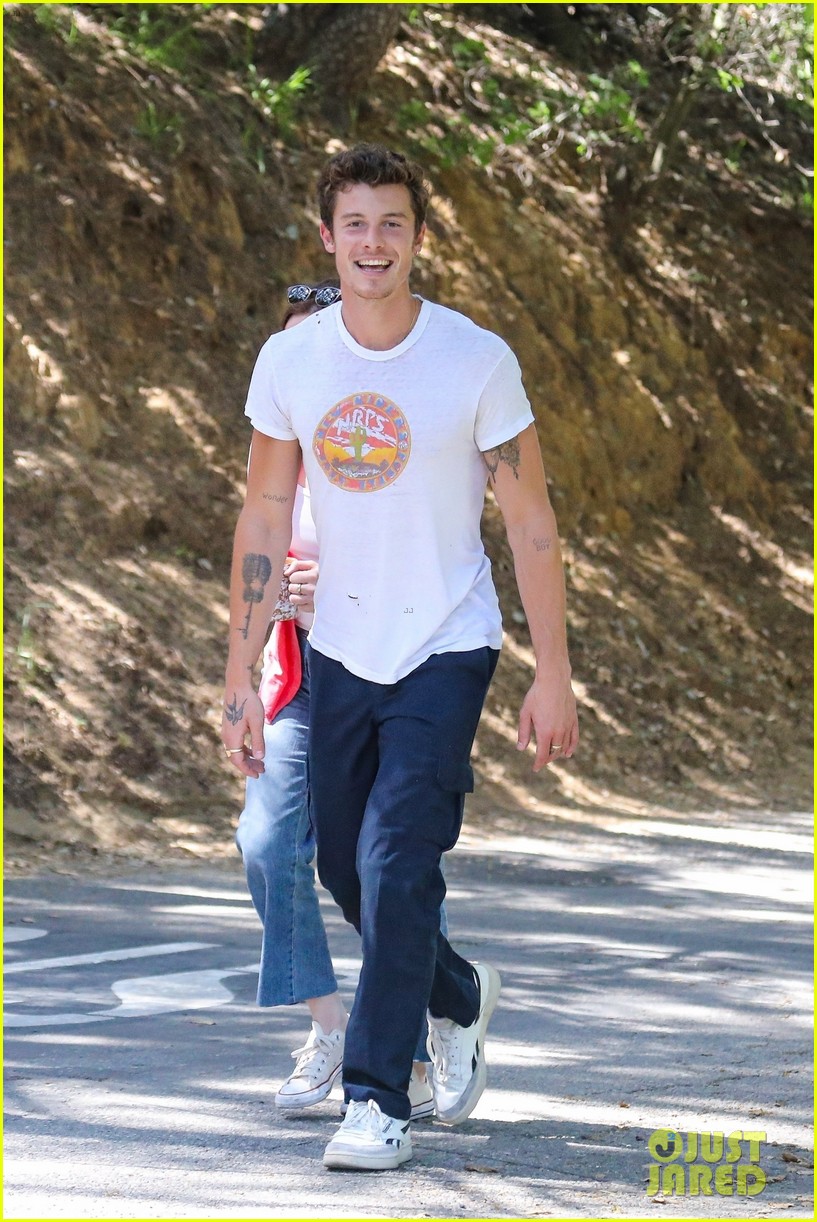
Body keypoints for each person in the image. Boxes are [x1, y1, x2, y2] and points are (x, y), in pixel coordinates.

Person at [222, 144, 579, 1172]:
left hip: (443, 642)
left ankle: (378, 1096)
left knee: (394, 859)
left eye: (393, 224)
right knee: (342, 864)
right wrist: (240, 674)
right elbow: (263, 510)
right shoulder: (293, 360)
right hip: (335, 643)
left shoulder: (474, 359)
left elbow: (530, 520)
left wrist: (550, 669)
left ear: (418, 238)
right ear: (326, 238)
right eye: (355, 224)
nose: (373, 242)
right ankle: (458, 992)